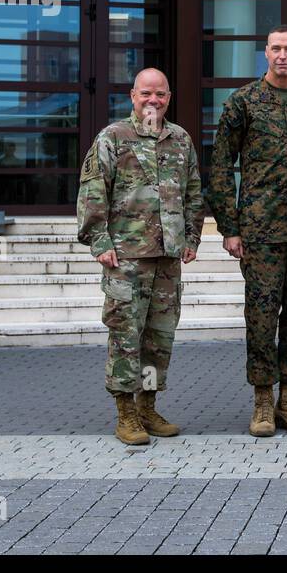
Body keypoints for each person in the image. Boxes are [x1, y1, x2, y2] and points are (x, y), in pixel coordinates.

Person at [206, 25, 287, 437]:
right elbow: (222, 166)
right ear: (266, 53)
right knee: (261, 316)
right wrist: (229, 226)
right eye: (276, 48)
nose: (283, 55)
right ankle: (263, 399)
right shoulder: (242, 102)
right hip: (261, 230)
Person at [76, 68, 202, 446]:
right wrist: (100, 241)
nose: (154, 100)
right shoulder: (113, 138)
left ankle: (148, 407)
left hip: (167, 258)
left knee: (159, 338)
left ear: (169, 97)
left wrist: (191, 236)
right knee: (126, 337)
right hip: (126, 259)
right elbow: (92, 191)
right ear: (133, 96)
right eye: (146, 93)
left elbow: (193, 191)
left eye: (160, 94)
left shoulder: (180, 139)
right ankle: (126, 414)